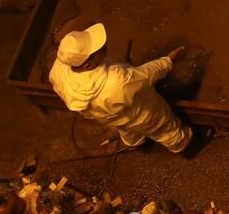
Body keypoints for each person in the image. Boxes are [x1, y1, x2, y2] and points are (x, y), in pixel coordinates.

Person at [48, 21, 196, 153]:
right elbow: (146, 76)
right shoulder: (117, 81)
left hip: (107, 115)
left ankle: (137, 143)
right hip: (139, 113)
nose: (104, 45)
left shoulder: (58, 69)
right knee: (164, 127)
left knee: (125, 128)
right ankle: (184, 145)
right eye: (99, 48)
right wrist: (168, 61)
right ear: (88, 63)